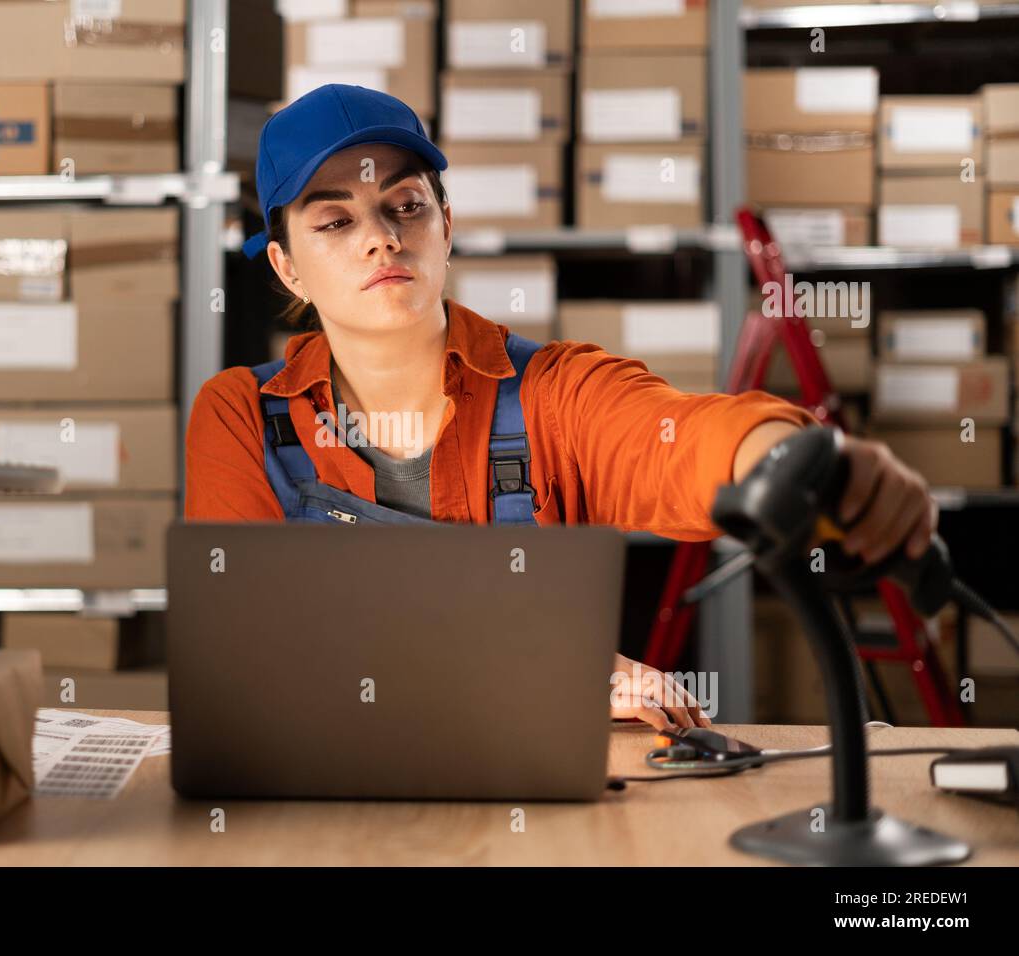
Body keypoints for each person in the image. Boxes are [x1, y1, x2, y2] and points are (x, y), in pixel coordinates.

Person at [185, 84, 939, 733]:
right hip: (323, 791)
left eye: (404, 206)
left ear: (446, 225)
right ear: (286, 264)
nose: (383, 239)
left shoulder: (553, 393)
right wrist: (531, 670)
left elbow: (681, 438)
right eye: (336, 221)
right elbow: (254, 647)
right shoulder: (244, 418)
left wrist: (797, 460)